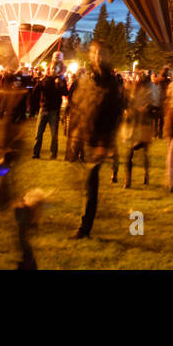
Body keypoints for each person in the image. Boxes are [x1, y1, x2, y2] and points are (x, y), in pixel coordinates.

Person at [69, 41, 124, 238]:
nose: (97, 56)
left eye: (101, 53)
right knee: (84, 184)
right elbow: (78, 105)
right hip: (86, 136)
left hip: (100, 141)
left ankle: (85, 228)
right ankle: (91, 218)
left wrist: (106, 143)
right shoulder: (88, 80)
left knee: (90, 184)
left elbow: (116, 114)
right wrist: (75, 134)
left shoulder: (113, 84)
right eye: (93, 52)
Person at [120, 72, 155, 187]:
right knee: (129, 154)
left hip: (143, 126)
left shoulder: (147, 92)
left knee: (145, 153)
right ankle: (127, 180)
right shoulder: (130, 91)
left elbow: (151, 105)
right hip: (132, 126)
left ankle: (146, 175)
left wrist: (145, 108)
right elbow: (125, 103)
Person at [32, 65, 66, 159]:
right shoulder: (44, 80)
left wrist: (60, 84)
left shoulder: (60, 80)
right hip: (43, 109)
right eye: (52, 69)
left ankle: (53, 154)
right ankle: (36, 153)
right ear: (49, 70)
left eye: (56, 69)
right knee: (38, 133)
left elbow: (65, 93)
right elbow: (35, 92)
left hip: (54, 111)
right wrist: (38, 83)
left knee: (54, 135)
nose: (54, 70)